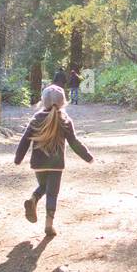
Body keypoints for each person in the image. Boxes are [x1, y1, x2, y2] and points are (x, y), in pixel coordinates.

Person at [14, 85, 93, 236]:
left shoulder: (36, 118)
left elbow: (25, 140)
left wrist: (18, 158)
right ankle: (49, 225)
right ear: (63, 102)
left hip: (38, 164)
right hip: (56, 165)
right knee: (52, 193)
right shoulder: (65, 119)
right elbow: (74, 142)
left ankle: (33, 198)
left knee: (43, 186)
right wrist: (87, 156)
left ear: (43, 101)